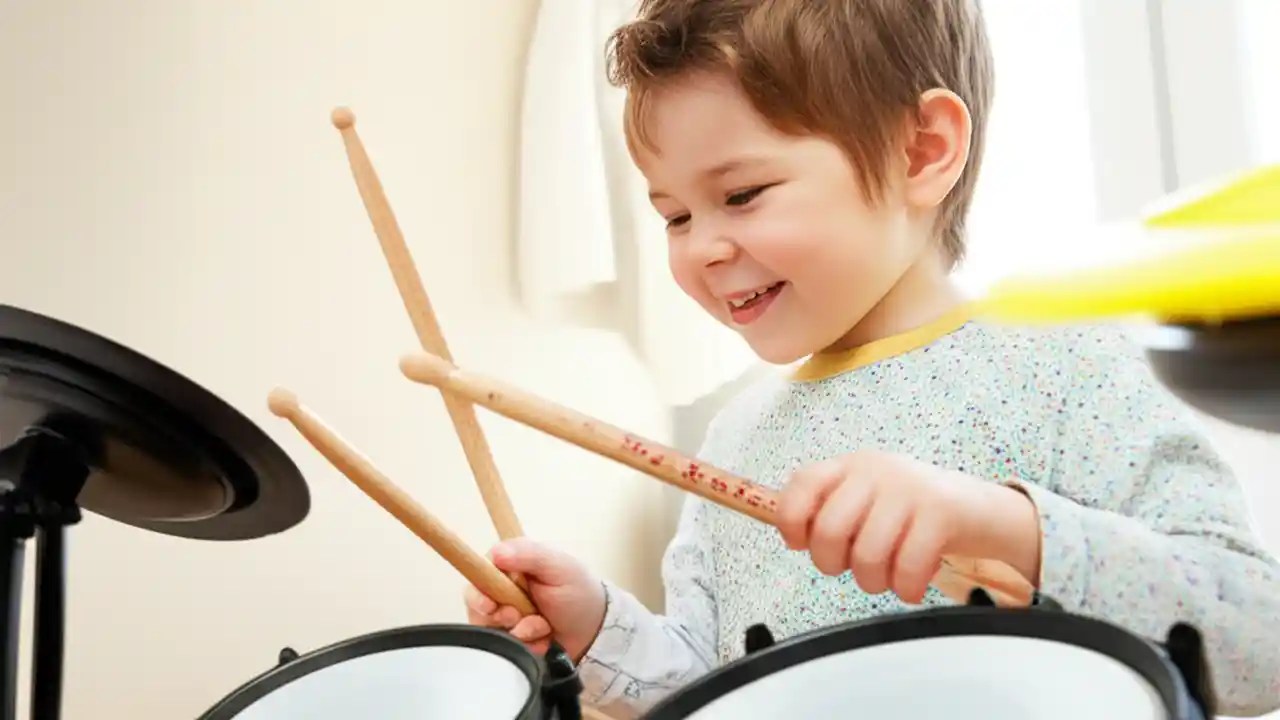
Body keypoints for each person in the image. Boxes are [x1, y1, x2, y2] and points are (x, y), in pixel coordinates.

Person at [465, 0, 1280, 716]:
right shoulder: (739, 432)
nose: (702, 249)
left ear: (922, 150)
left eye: (741, 194)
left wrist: (1006, 527)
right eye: (675, 216)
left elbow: (1258, 642)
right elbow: (716, 682)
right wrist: (601, 629)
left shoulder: (1067, 363)